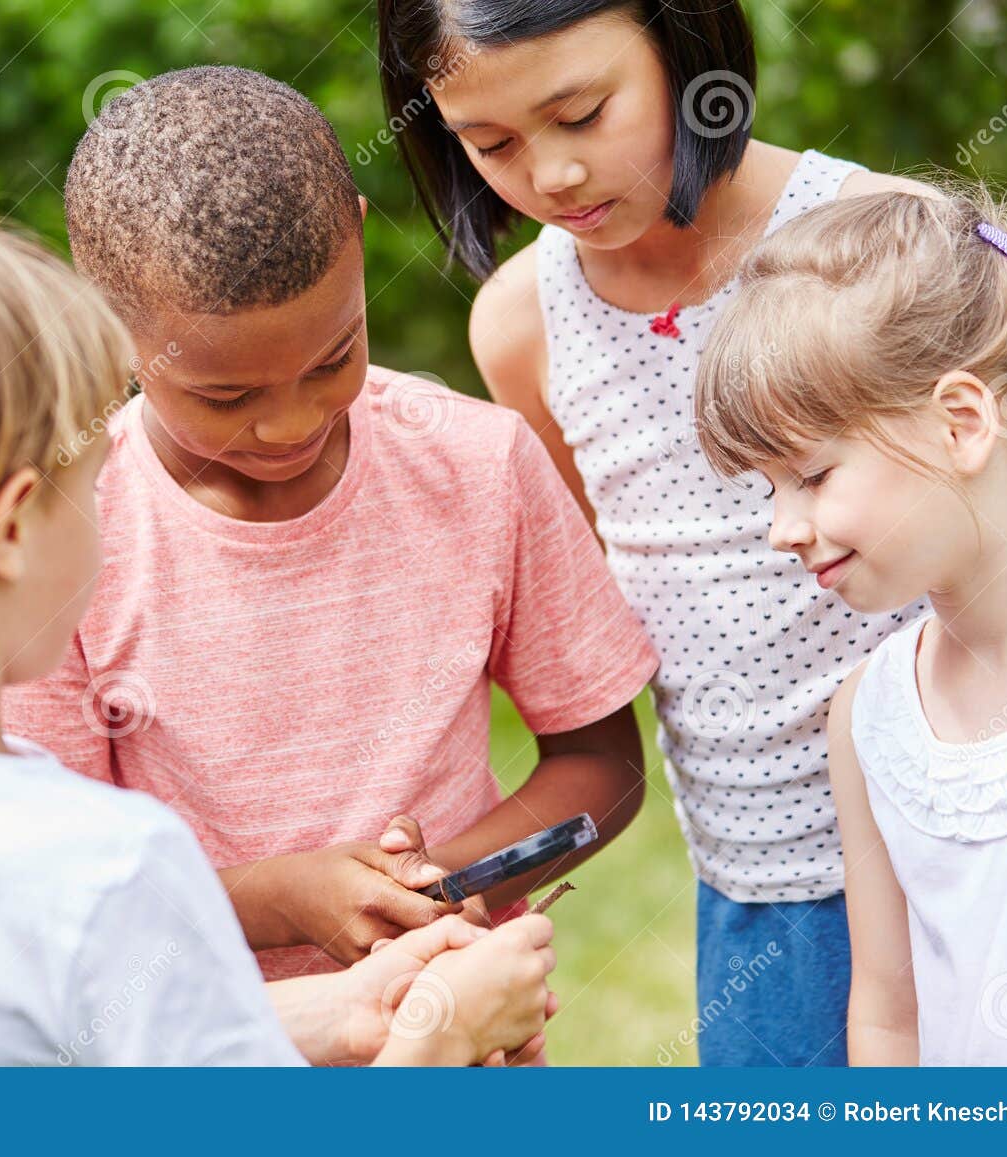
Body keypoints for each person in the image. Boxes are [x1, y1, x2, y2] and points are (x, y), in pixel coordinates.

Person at [0, 201, 561, 1066]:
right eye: (92, 485)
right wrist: (440, 1031)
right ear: (15, 526)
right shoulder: (108, 868)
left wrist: (345, 1008)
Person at [2, 65, 659, 981]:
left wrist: (440, 889)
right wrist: (276, 900)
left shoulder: (479, 464)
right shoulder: (64, 537)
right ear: (104, 322)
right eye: (225, 394)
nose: (291, 424)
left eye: (333, 357)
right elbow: (57, 886)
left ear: (355, 235)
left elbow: (600, 760)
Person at [377, 0, 928, 1063]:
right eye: (489, 144)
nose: (552, 176)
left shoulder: (882, 240)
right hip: (763, 888)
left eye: (581, 113)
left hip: (968, 841)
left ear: (685, 43)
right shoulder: (521, 322)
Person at [696, 187, 1007, 1065]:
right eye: (768, 490)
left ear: (962, 422)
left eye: (813, 474)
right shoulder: (871, 716)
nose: (781, 528)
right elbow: (888, 1012)